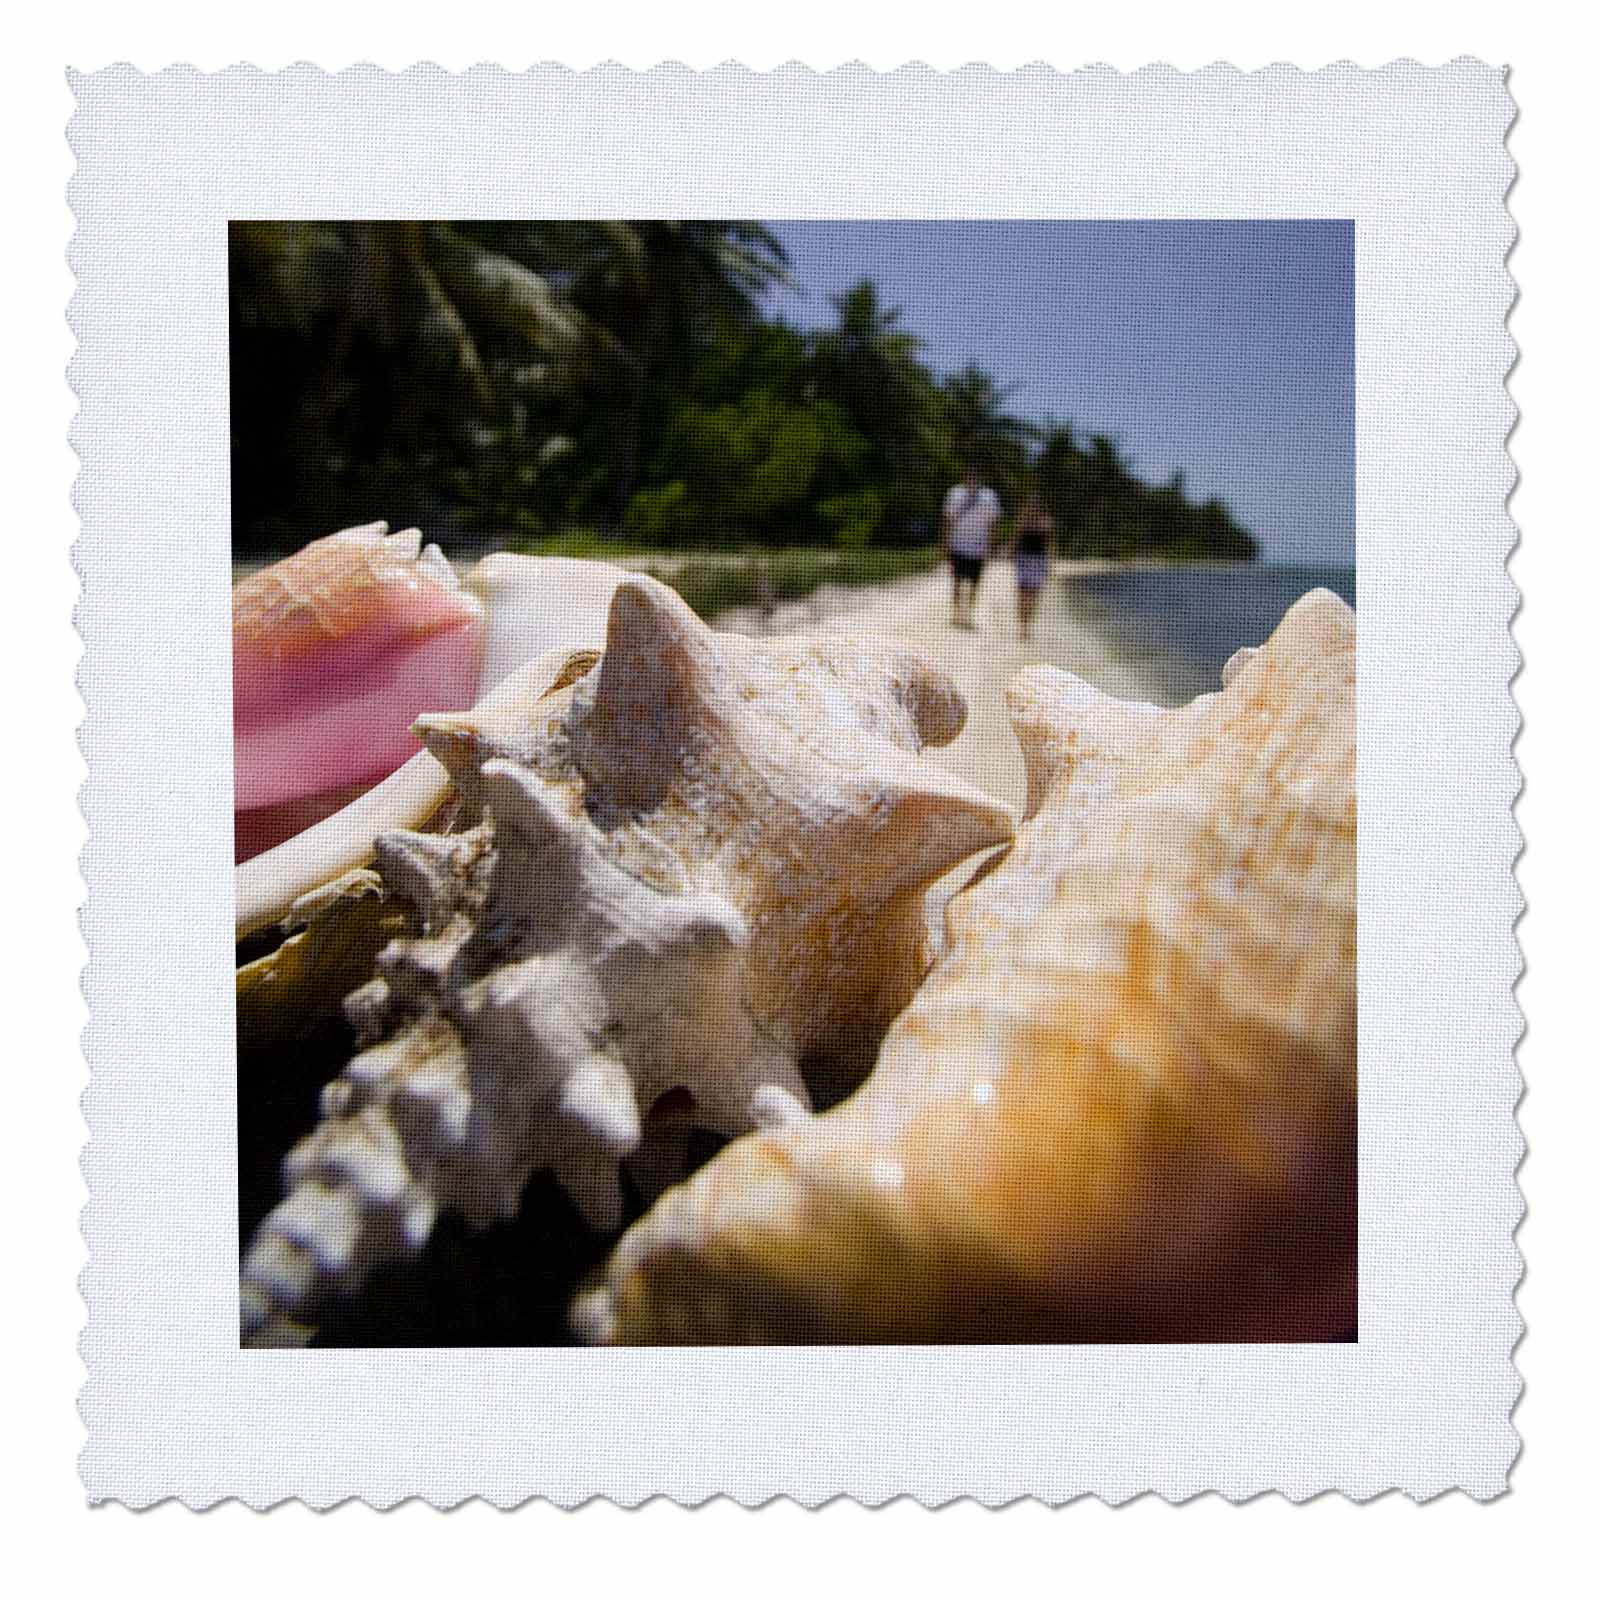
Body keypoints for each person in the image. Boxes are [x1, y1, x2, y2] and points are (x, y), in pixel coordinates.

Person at [940, 464, 1004, 630]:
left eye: (975, 475)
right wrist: (945, 542)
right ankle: (956, 612)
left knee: (975, 583)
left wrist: (993, 545)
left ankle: (968, 611)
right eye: (969, 474)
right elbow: (947, 520)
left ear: (980, 478)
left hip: (978, 548)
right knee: (957, 581)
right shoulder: (955, 493)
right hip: (957, 545)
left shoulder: (989, 496)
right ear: (964, 476)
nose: (972, 478)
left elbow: (994, 524)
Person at [998, 491, 1057, 642]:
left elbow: (1050, 544)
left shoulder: (1046, 522)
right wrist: (1008, 551)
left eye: (1036, 505)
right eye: (1031, 505)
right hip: (1023, 560)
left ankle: (1027, 626)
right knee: (1022, 595)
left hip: (1039, 561)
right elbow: (1015, 538)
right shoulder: (1023, 521)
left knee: (1034, 597)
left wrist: (1051, 564)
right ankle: (1022, 626)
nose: (1033, 507)